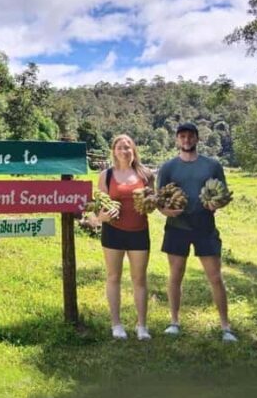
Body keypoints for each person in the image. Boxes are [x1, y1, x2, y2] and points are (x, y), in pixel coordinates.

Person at [157, 122, 237, 343]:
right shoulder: (168, 168)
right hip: (177, 226)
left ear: (197, 139)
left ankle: (226, 327)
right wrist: (166, 211)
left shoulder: (211, 165)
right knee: (175, 275)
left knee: (215, 277)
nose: (186, 140)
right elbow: (159, 200)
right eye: (182, 136)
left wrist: (216, 205)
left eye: (190, 136)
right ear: (177, 140)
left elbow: (222, 195)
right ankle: (174, 322)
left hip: (205, 225)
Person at [97, 134, 153, 341]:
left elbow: (152, 204)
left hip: (139, 232)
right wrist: (100, 216)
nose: (124, 151)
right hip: (113, 231)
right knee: (113, 277)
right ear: (114, 151)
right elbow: (100, 203)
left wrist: (151, 203)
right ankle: (116, 324)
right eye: (120, 147)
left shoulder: (145, 174)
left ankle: (142, 326)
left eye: (128, 147)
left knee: (139, 279)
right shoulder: (106, 176)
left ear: (134, 150)